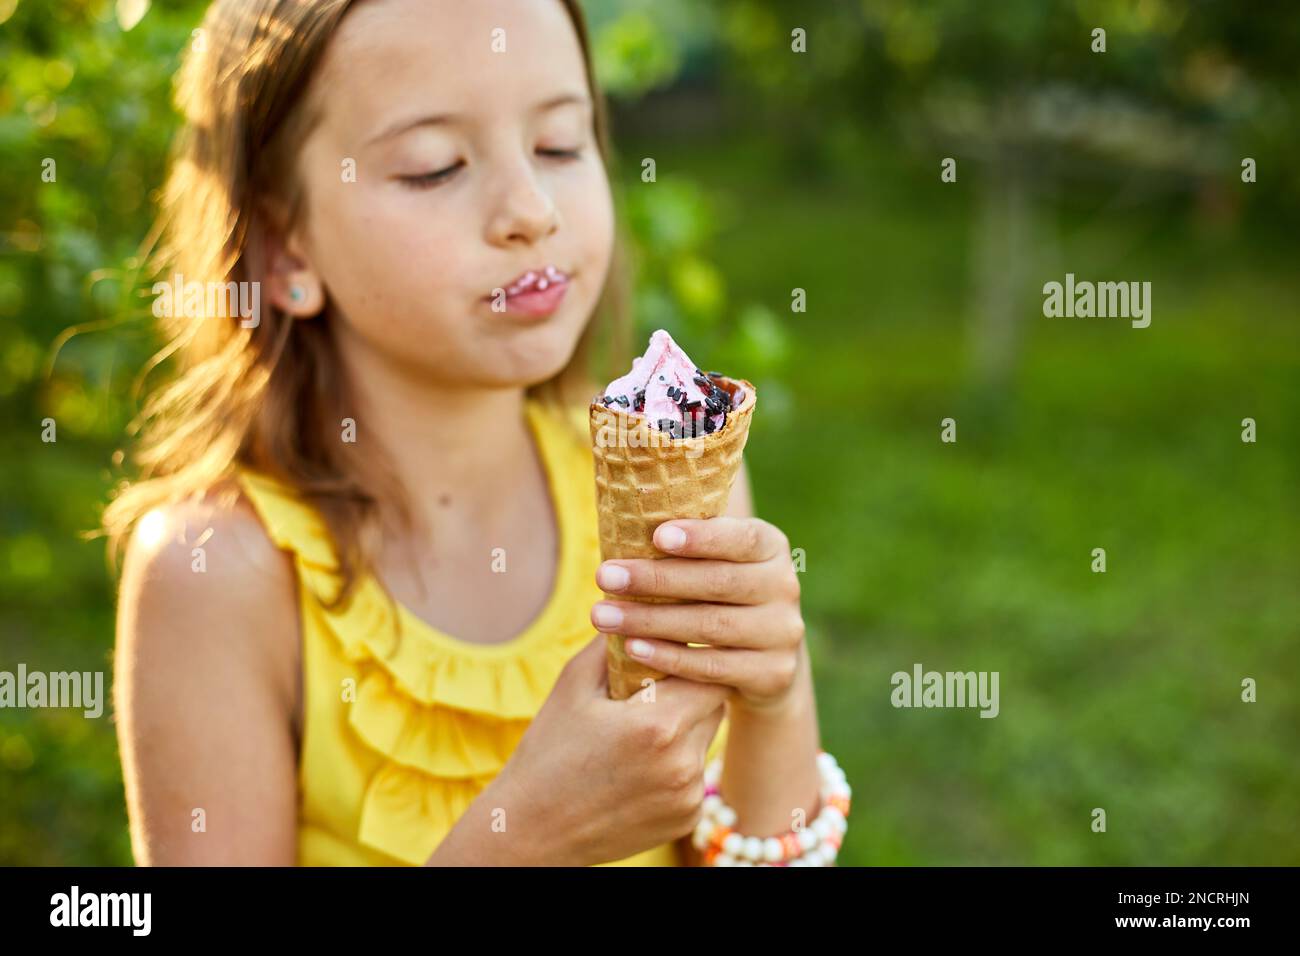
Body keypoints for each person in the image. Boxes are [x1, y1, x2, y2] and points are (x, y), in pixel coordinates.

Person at [106, 0, 826, 867]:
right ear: (283, 248)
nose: (530, 209)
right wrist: (522, 841)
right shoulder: (217, 573)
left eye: (560, 144)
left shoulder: (670, 498)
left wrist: (776, 703)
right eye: (434, 167)